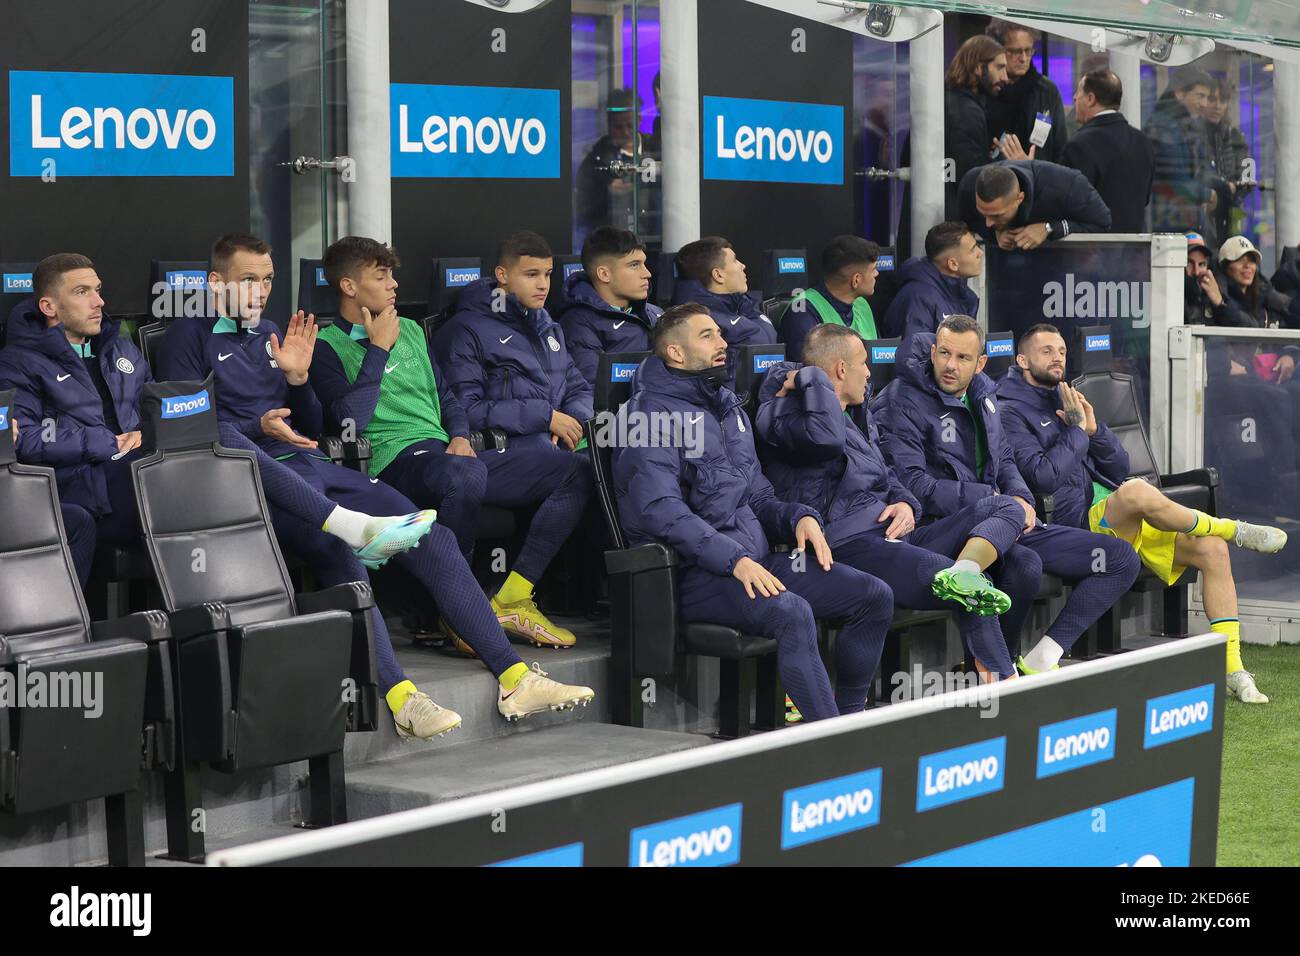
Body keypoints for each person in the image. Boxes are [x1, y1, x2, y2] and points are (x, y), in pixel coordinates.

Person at [0, 252, 482, 741]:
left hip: (169, 477)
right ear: (49, 306)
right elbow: (20, 439)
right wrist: (110, 442)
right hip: (99, 488)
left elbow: (168, 411)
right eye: (83, 292)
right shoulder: (21, 360)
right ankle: (348, 527)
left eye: (99, 289)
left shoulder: (119, 349)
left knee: (246, 466)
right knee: (220, 432)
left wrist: (291, 384)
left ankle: (406, 684)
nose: (100, 300)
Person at [158, 233, 595, 729]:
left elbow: (316, 425)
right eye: (247, 281)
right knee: (339, 548)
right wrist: (256, 427)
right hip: (241, 479)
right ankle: (402, 697)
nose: (259, 292)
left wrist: (298, 381)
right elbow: (191, 427)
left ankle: (515, 678)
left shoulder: (274, 333)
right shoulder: (184, 336)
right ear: (216, 283)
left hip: (307, 464)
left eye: (267, 281)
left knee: (434, 535)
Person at [613, 304, 894, 720]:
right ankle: (832, 741)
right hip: (694, 574)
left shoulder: (727, 409)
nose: (723, 343)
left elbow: (758, 496)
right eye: (707, 336)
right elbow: (659, 511)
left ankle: (850, 714)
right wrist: (734, 560)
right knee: (792, 612)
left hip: (754, 560)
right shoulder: (646, 415)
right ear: (675, 353)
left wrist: (799, 517)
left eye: (720, 334)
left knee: (873, 595)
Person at [997, 323, 1282, 702]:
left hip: (1112, 511)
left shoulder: (1067, 398)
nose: (1057, 357)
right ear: (1022, 359)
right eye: (1046, 350)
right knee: (1135, 492)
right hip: (1071, 523)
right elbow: (1043, 478)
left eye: (1062, 351)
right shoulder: (1009, 409)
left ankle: (1234, 668)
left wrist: (1095, 430)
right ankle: (1234, 528)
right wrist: (1078, 433)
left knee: (1211, 549)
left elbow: (1118, 467)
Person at [757, 324, 1039, 681]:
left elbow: (890, 474)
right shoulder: (790, 417)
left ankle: (964, 570)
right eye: (863, 362)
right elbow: (825, 439)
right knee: (973, 596)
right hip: (848, 542)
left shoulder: (859, 414)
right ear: (841, 370)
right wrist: (810, 378)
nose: (870, 371)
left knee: (1006, 507)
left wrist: (906, 504)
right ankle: (1004, 685)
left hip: (895, 532)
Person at [873, 315, 1141, 672]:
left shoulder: (983, 392)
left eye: (963, 358)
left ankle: (1040, 657)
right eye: (944, 354)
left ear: (980, 362)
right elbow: (918, 487)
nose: (951, 366)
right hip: (944, 527)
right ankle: (997, 667)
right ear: (933, 352)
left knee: (1121, 559)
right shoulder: (900, 402)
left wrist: (1020, 498)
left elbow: (1005, 459)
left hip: (1004, 519)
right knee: (1026, 565)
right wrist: (997, 500)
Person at [433, 230, 597, 649]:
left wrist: (572, 421)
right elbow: (463, 410)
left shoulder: (549, 325)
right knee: (578, 472)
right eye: (530, 274)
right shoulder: (465, 328)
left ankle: (527, 597)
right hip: (487, 453)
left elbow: (578, 387)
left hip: (543, 449)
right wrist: (545, 417)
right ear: (502, 275)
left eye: (547, 274)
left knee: (606, 462)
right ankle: (503, 598)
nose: (543, 284)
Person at [309, 236, 486, 569]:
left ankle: (515, 592)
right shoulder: (325, 346)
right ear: (349, 286)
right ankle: (457, 600)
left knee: (571, 472)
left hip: (450, 452)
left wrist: (461, 435)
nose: (394, 285)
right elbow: (350, 423)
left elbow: (446, 397)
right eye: (380, 277)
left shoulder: (411, 329)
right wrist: (378, 349)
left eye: (391, 274)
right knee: (465, 476)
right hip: (394, 461)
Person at [554, 226, 661, 388]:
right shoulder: (578, 323)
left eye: (643, 264)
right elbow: (593, 390)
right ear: (604, 274)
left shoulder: (655, 313)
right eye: (634, 265)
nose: (647, 273)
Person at [670, 236, 777, 387]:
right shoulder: (694, 321)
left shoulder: (747, 307)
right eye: (734, 260)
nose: (743, 265)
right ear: (718, 275)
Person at [1061, 69, 1155, 234]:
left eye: (1078, 92)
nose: (1075, 98)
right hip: (1135, 253)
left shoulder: (1079, 145)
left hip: (1093, 253)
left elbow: (1068, 205)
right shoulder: (1143, 142)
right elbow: (1144, 200)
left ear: (1090, 99)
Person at [960, 160, 1112, 252]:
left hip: (1062, 276)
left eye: (997, 215)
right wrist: (994, 233)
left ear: (1020, 198)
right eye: (983, 213)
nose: (988, 222)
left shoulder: (1068, 185)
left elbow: (1102, 224)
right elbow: (965, 227)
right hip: (1000, 278)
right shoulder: (970, 184)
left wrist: (1049, 228)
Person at [778, 236, 881, 364]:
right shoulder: (802, 311)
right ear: (856, 280)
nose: (877, 274)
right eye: (873, 269)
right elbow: (808, 374)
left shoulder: (862, 305)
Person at [1145, 67, 1219, 244]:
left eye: (1206, 97)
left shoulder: (1186, 126)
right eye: (1199, 95)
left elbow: (1201, 166)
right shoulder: (1164, 126)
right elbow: (1175, 179)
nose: (1204, 103)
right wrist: (1207, 194)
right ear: (1179, 93)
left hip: (1181, 217)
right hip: (1169, 221)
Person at [983, 20, 1069, 165]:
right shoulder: (985, 90)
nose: (1023, 58)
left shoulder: (1047, 91)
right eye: (1016, 51)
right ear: (998, 51)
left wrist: (1030, 167)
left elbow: (1061, 151)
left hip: (1038, 181)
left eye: (1028, 51)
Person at [881, 222, 982, 342]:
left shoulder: (964, 295)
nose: (980, 253)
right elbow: (913, 357)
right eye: (972, 250)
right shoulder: (918, 298)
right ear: (953, 264)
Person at [943, 35, 1010, 219]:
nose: (1005, 77)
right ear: (978, 68)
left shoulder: (947, 101)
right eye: (1000, 67)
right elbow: (969, 179)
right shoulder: (966, 111)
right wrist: (1004, 163)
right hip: (952, 224)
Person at [576, 88, 652, 235]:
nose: (625, 132)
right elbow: (583, 208)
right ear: (609, 125)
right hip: (613, 243)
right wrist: (607, 194)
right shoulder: (596, 159)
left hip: (653, 240)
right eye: (618, 127)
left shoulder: (657, 149)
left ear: (640, 119)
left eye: (630, 125)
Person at [1202, 76, 1251, 244]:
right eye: (1212, 99)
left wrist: (1235, 188)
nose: (1217, 106)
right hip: (1203, 207)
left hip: (1232, 208)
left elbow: (1247, 176)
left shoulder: (1234, 136)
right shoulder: (1193, 134)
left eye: (1222, 100)